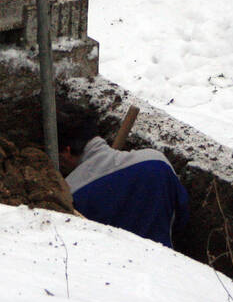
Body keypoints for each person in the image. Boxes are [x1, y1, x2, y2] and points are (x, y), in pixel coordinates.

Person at [57, 105, 190, 248]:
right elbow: (181, 219)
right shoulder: (156, 162)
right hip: (167, 262)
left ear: (67, 152)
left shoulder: (70, 195)